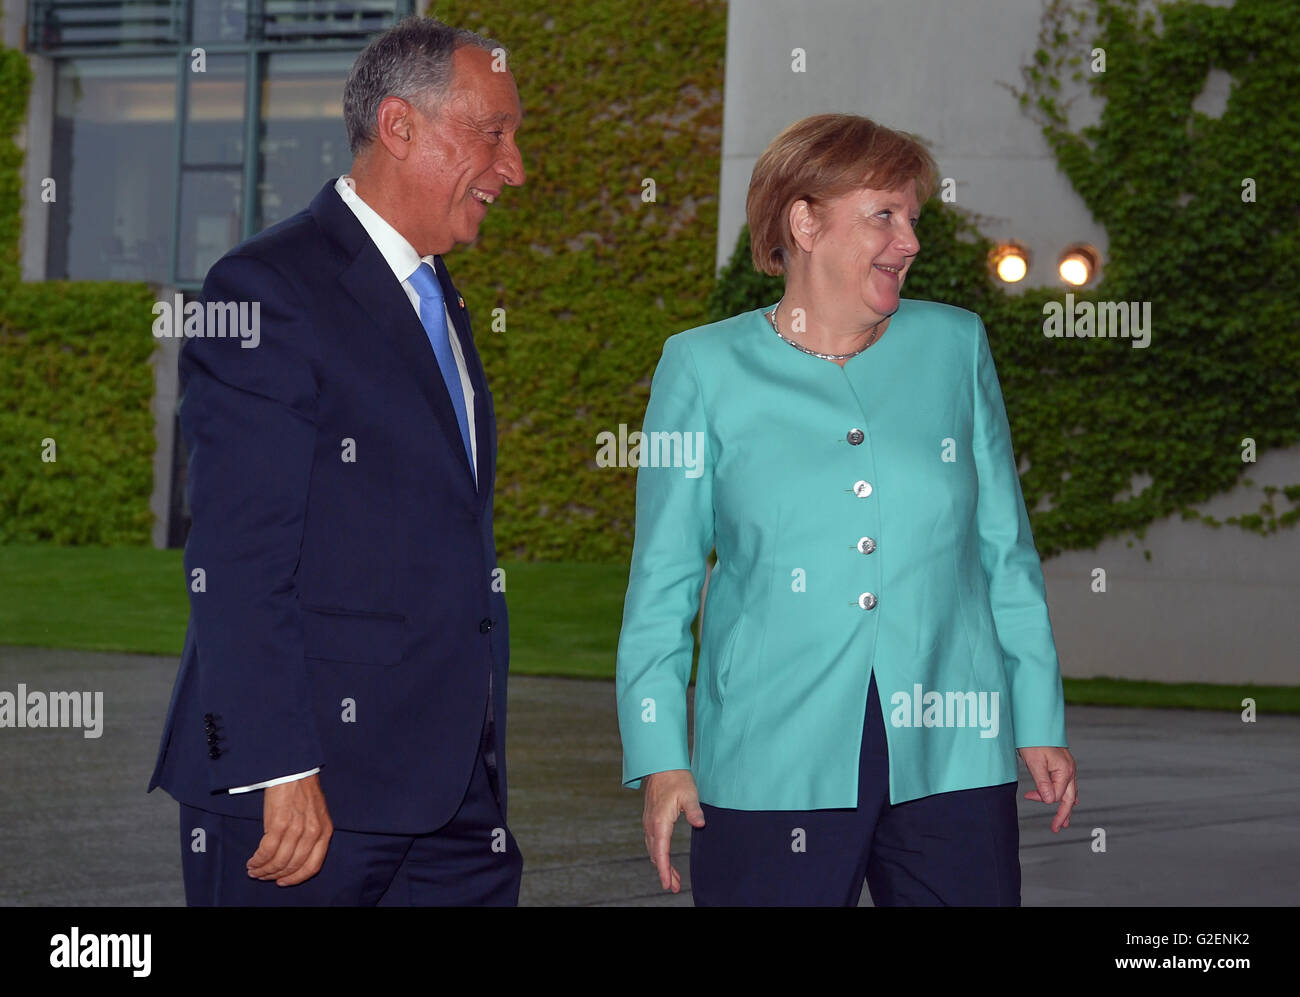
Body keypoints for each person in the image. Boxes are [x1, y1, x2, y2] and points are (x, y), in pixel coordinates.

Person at [616, 113, 1078, 906]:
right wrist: (661, 756)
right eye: (884, 216)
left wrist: (1037, 718)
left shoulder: (955, 346)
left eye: (913, 218)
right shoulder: (700, 367)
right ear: (804, 221)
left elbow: (1005, 551)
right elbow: (663, 580)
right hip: (768, 760)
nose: (910, 242)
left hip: (953, 756)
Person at [148, 15, 526, 906]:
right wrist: (276, 761)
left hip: (455, 803)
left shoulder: (442, 299)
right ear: (400, 126)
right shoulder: (265, 289)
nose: (515, 167)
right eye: (495, 133)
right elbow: (238, 556)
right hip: (303, 799)